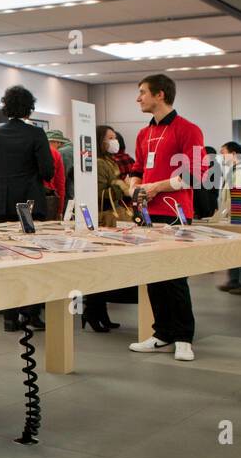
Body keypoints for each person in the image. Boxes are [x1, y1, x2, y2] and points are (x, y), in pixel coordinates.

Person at [127, 73, 208, 362]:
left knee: (175, 276)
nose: (138, 98)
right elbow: (137, 168)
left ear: (160, 94)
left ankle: (184, 336)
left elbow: (196, 173)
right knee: (153, 275)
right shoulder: (143, 134)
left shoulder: (188, 130)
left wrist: (157, 187)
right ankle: (162, 332)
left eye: (142, 92)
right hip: (146, 213)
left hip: (175, 213)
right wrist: (134, 186)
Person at [0, 85, 55, 331]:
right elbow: (48, 171)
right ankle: (31, 313)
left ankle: (9, 316)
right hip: (29, 204)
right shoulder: (36, 135)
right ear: (30, 107)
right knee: (31, 258)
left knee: (5, 259)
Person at [81, 124, 134, 332]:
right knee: (100, 269)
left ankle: (99, 313)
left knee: (106, 271)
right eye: (110, 138)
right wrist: (121, 186)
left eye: (115, 137)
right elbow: (99, 194)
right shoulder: (99, 163)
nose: (115, 141)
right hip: (105, 220)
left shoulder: (109, 161)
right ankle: (94, 312)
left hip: (109, 219)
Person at [215, 142, 241, 295]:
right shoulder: (235, 171)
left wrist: (237, 216)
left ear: (233, 154)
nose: (221, 156)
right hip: (233, 216)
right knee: (235, 249)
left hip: (239, 216)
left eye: (223, 152)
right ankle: (235, 281)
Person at [44, 129, 69, 219]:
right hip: (49, 201)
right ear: (55, 142)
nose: (60, 146)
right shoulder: (55, 154)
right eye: (60, 144)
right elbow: (60, 184)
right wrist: (60, 210)